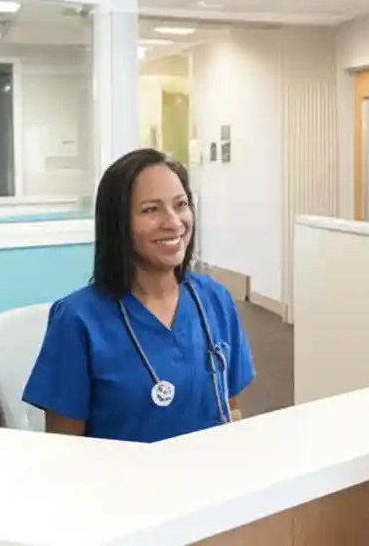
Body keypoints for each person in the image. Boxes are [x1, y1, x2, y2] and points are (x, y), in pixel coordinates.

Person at [22, 148, 255, 443]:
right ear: (118, 224)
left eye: (180, 204)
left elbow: (229, 414)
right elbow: (64, 451)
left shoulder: (215, 300)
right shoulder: (78, 320)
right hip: (122, 486)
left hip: (213, 481)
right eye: (151, 210)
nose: (173, 222)